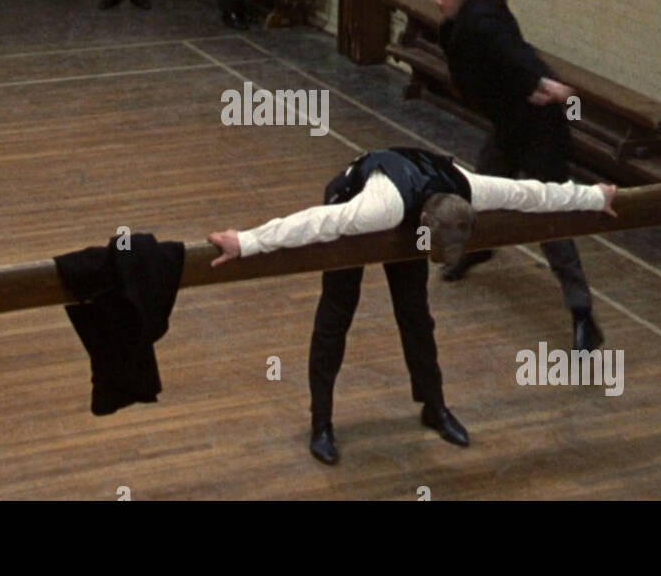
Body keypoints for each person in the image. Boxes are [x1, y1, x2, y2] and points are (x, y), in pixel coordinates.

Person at [208, 146, 616, 465]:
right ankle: (322, 423)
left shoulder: (472, 189)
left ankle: (433, 406)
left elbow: (534, 194)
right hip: (356, 200)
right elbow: (314, 223)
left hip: (412, 205)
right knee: (336, 316)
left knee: (417, 318)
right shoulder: (373, 211)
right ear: (424, 226)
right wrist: (245, 242)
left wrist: (595, 197)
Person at [413, 0, 604, 354]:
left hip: (540, 128)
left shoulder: (483, 22)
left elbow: (511, 53)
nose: (438, 0)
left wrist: (542, 81)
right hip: (509, 121)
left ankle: (582, 316)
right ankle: (478, 247)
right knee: (479, 188)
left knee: (549, 216)